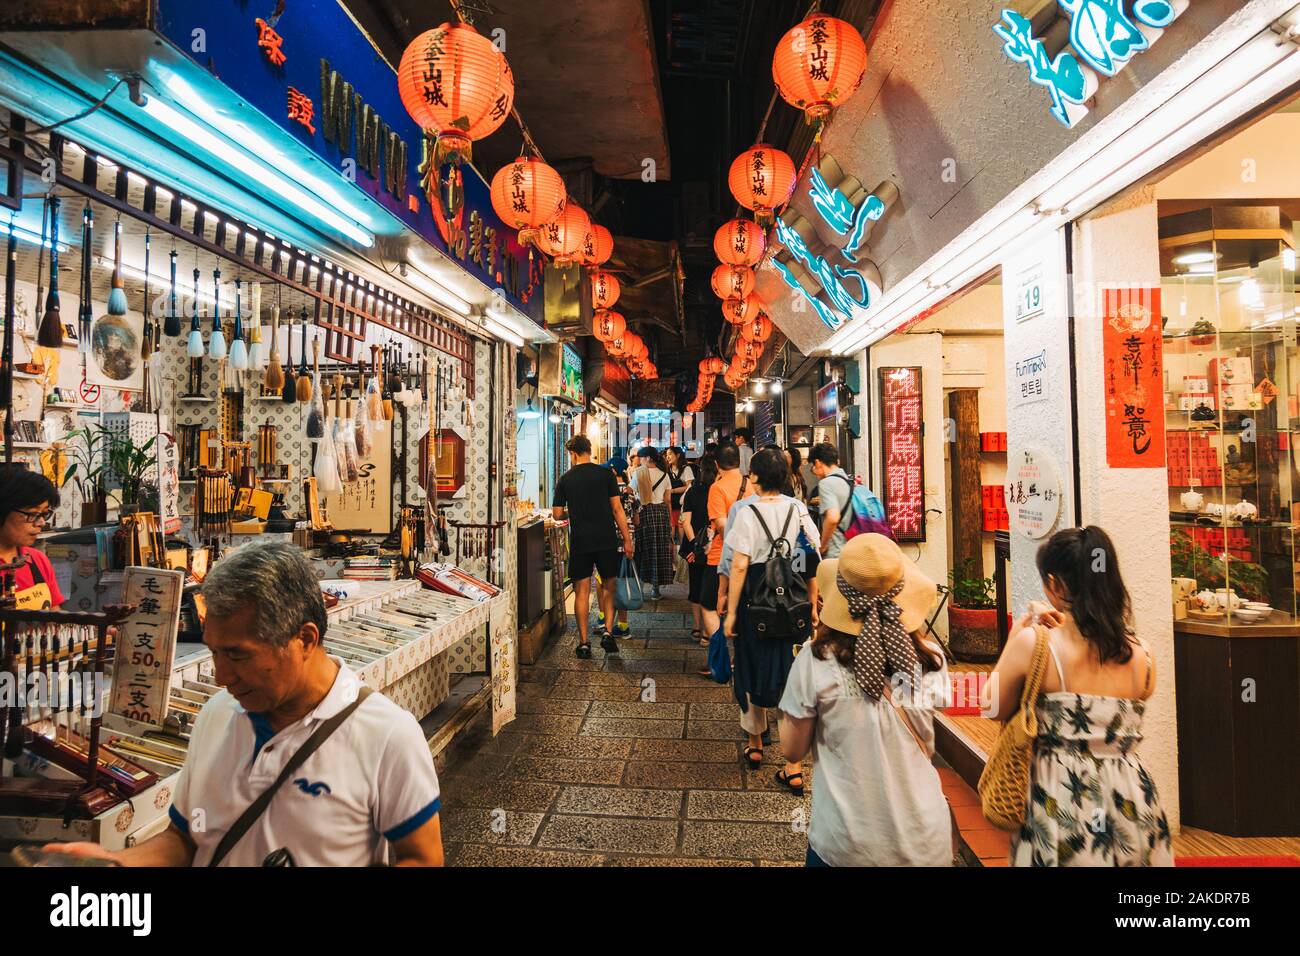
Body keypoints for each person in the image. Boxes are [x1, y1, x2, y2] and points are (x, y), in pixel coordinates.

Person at [45, 542, 444, 866]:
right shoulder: (218, 714)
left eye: (238, 656)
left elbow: (422, 858)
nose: (222, 676)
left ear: (304, 640)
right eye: (214, 653)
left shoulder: (387, 734)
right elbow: (185, 839)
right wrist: (121, 864)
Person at [989, 526, 1173, 867]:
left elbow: (992, 706)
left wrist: (1019, 631)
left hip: (1061, 793)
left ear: (1056, 585)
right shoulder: (1143, 655)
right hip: (1131, 794)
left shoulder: (1036, 645)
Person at [779, 533, 952, 866]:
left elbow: (792, 749)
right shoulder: (931, 658)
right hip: (925, 838)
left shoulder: (815, 663)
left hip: (846, 840)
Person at [723, 449, 820, 793]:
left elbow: (738, 564)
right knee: (790, 673)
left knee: (751, 665)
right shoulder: (797, 508)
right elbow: (813, 551)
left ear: (758, 478)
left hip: (757, 599)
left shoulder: (748, 512)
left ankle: (755, 744)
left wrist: (732, 612)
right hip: (791, 599)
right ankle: (793, 764)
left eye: (751, 473)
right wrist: (811, 601)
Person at [554, 436, 635, 657]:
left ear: (572, 454)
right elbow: (618, 509)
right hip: (606, 539)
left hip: (581, 540)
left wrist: (575, 511)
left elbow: (557, 513)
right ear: (589, 451)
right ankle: (608, 632)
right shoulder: (606, 474)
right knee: (609, 586)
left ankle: (583, 642)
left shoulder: (566, 479)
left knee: (582, 591)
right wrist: (627, 540)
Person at [0, 466, 65, 609]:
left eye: (44, 514)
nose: (41, 523)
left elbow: (55, 618)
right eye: (33, 514)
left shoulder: (36, 559)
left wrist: (91, 629)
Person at [700, 445, 745, 640]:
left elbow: (722, 526)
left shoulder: (717, 488)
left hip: (721, 558)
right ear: (739, 461)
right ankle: (738, 657)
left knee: (708, 605)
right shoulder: (752, 484)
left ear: (717, 464)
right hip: (751, 557)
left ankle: (721, 657)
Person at [679, 454, 717, 646]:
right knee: (713, 587)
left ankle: (696, 627)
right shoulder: (719, 491)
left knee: (695, 584)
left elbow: (686, 521)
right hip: (716, 546)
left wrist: (695, 544)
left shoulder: (693, 492)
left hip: (696, 547)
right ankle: (710, 631)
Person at [632, 446, 674, 600]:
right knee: (659, 550)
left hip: (645, 513)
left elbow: (630, 492)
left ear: (648, 458)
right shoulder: (665, 475)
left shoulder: (638, 474)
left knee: (643, 549)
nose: (640, 461)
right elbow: (668, 499)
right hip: (661, 514)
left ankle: (640, 588)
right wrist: (671, 522)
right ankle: (655, 590)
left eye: (641, 458)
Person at [809, 442, 852, 558]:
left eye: (813, 466)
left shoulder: (826, 483)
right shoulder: (850, 482)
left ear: (818, 462)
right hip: (853, 550)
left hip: (837, 553)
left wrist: (823, 545)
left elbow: (833, 518)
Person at [664, 445, 695, 534]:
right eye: (666, 455)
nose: (668, 457)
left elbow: (689, 487)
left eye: (670, 454)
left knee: (682, 532)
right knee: (671, 534)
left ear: (678, 455)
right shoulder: (666, 470)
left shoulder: (686, 469)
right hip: (670, 506)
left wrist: (672, 491)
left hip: (683, 506)